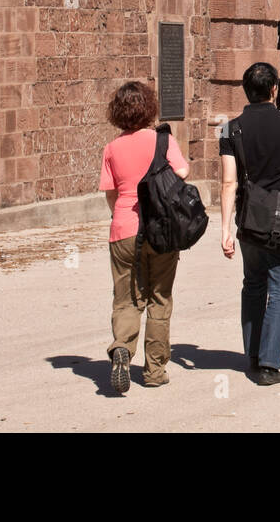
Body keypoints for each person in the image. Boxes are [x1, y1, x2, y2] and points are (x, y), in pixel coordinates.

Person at [218, 62, 280, 386]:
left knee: (253, 286)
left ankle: (254, 356)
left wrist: (225, 229)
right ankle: (270, 365)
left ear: (246, 90)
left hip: (249, 220)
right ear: (274, 89)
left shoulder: (230, 129)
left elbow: (228, 183)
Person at [99, 81, 190, 394]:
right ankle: (154, 370)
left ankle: (122, 346)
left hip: (124, 228)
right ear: (149, 108)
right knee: (159, 298)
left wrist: (121, 215)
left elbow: (111, 194)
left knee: (126, 297)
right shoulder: (162, 141)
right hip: (161, 228)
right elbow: (182, 173)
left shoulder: (111, 148)